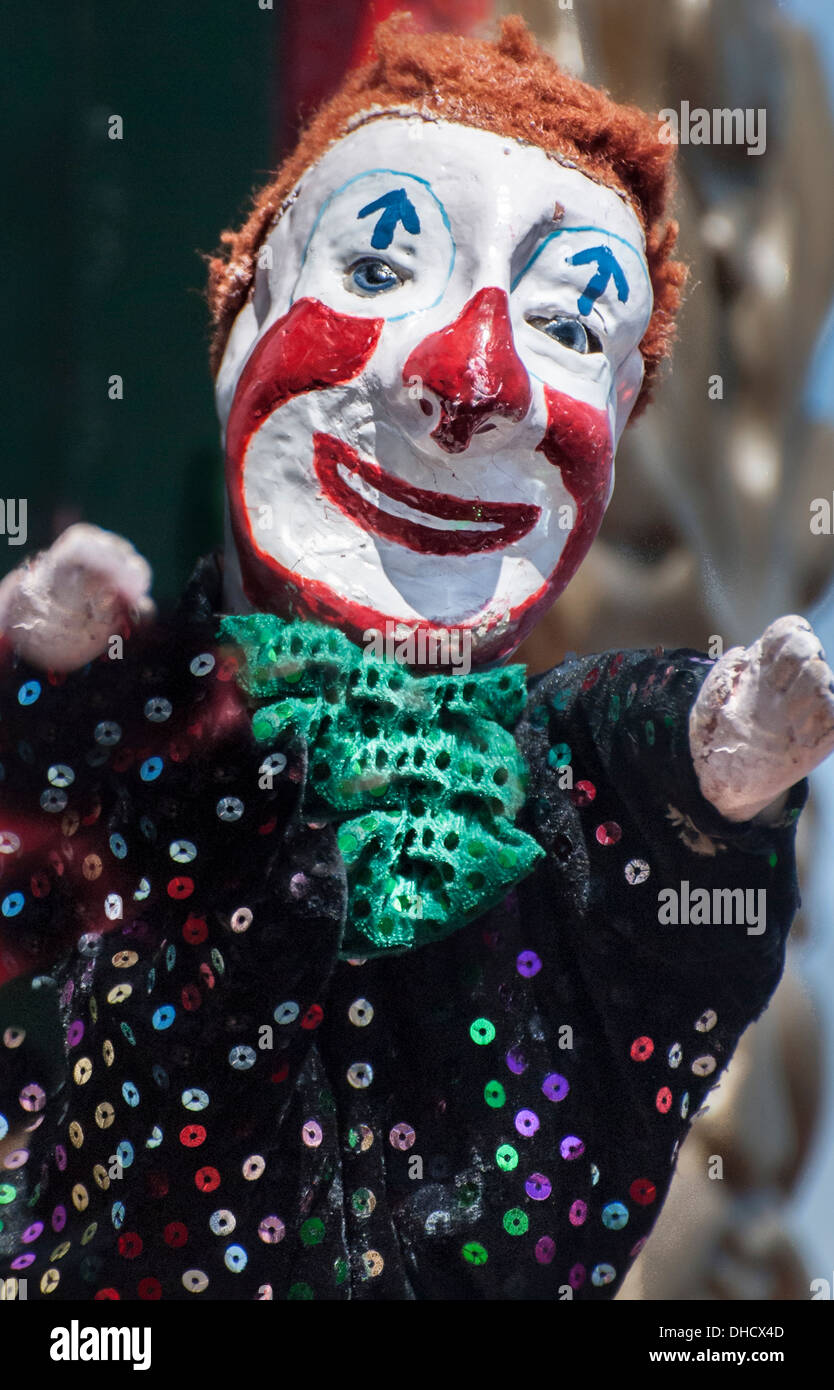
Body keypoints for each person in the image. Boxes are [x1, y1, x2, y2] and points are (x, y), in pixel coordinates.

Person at [0, 16, 832, 1301]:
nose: (472, 376)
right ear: (241, 326)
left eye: (567, 325)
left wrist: (711, 763)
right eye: (382, 266)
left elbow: (625, 754)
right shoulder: (177, 727)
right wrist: (51, 707)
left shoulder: (553, 775)